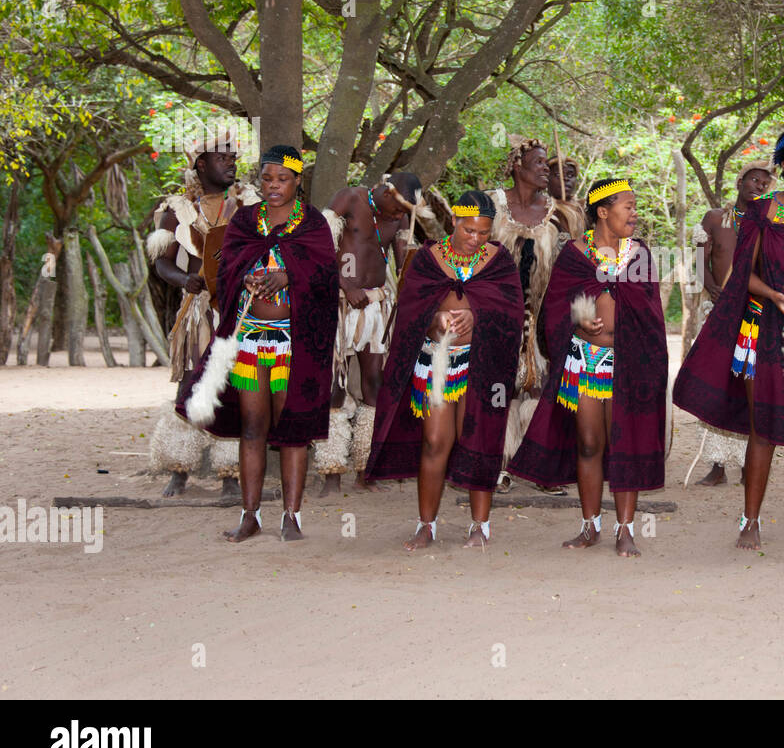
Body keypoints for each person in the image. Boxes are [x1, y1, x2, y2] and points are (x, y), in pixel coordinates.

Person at [673, 126, 784, 553]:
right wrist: (773, 293)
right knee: (763, 427)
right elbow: (743, 275)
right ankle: (749, 521)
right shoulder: (763, 210)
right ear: (783, 164)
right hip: (765, 326)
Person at [177, 145, 339, 542]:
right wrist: (246, 279)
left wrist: (288, 277)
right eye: (267, 179)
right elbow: (226, 269)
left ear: (298, 181)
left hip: (292, 343)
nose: (273, 186)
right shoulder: (246, 220)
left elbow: (324, 275)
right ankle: (250, 516)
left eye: (282, 179)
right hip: (250, 339)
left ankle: (291, 517)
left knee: (291, 428)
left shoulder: (313, 223)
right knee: (253, 427)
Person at [507, 178, 669, 557]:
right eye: (626, 206)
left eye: (634, 206)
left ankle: (625, 529)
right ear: (602, 211)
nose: (634, 213)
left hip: (629, 363)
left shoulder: (639, 254)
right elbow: (555, 309)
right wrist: (578, 323)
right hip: (585, 361)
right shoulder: (575, 255)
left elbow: (650, 313)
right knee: (589, 443)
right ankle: (590, 526)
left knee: (625, 441)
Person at [364, 190, 524, 549]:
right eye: (469, 230)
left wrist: (475, 315)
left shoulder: (498, 261)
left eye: (484, 232)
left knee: (478, 438)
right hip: (436, 360)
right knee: (435, 442)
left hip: (482, 364)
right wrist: (434, 319)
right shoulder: (426, 259)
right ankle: (426, 525)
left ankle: (480, 526)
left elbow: (511, 314)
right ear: (454, 221)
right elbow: (409, 311)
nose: (476, 239)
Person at [146, 127, 260, 498]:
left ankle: (230, 474)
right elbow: (162, 264)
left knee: (234, 385)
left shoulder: (250, 205)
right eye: (222, 157)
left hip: (240, 310)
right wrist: (185, 279)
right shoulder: (176, 211)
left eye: (233, 157)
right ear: (200, 163)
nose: (231, 163)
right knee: (190, 383)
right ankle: (180, 469)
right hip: (198, 312)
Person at [315, 172, 423, 496]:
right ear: (387, 192)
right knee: (335, 386)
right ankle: (331, 474)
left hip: (376, 305)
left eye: (406, 211)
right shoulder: (348, 198)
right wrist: (346, 285)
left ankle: (366, 469)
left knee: (376, 385)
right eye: (398, 208)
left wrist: (413, 283)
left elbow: (405, 263)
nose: (399, 216)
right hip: (337, 302)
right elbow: (318, 250)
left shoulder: (401, 217)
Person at [489, 137, 584, 495]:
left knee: (540, 386)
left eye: (548, 163)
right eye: (540, 162)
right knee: (500, 389)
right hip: (496, 315)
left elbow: (576, 264)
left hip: (543, 317)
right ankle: (496, 465)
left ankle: (541, 466)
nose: (547, 168)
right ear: (517, 165)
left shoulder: (559, 212)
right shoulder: (494, 204)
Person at [690, 160, 775, 487]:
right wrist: (712, 288)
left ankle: (746, 465)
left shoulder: (769, 222)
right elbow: (699, 260)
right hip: (719, 311)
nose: (759, 186)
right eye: (754, 180)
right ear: (740, 182)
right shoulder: (714, 219)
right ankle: (717, 466)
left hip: (755, 312)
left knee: (750, 384)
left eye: (765, 183)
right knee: (718, 382)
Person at [548, 151, 585, 237]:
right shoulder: (542, 211)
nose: (565, 178)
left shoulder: (585, 209)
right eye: (558, 175)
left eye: (570, 175)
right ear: (546, 179)